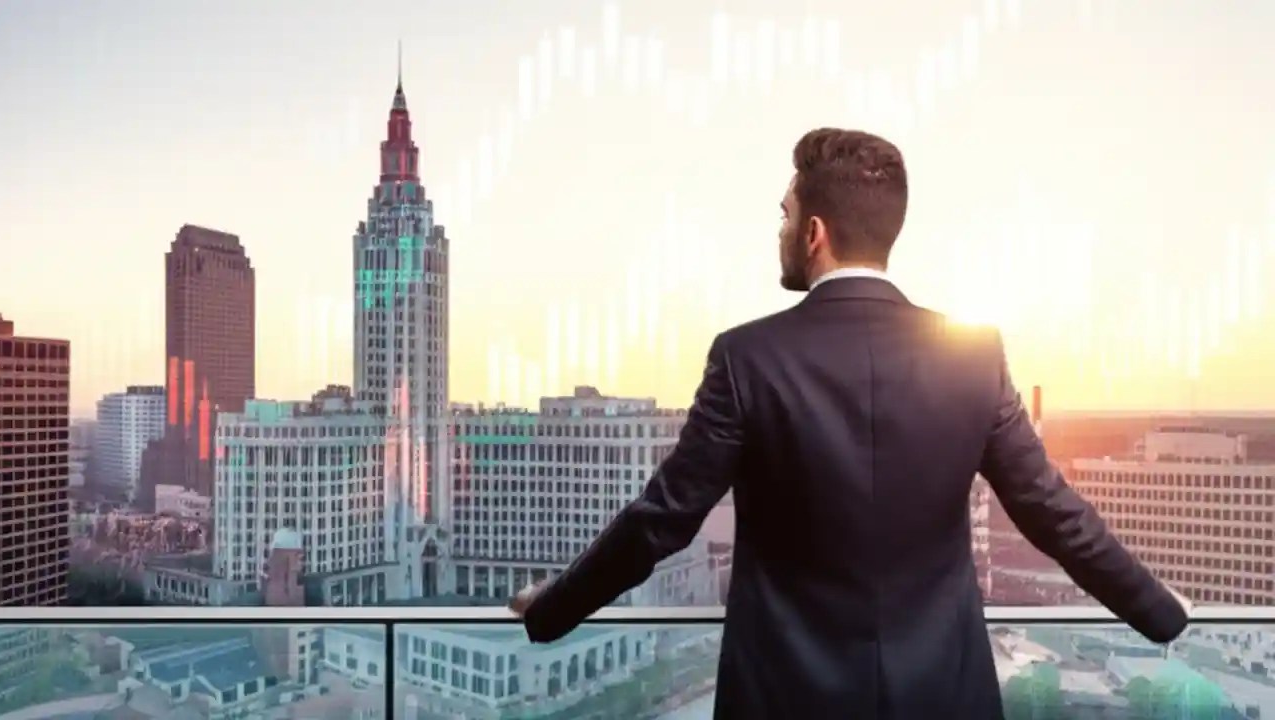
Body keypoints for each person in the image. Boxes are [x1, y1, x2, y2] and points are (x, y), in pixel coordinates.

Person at [509, 128, 1190, 718]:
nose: (778, 232)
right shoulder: (974, 357)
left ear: (814, 234)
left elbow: (662, 519)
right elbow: (1052, 511)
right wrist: (1160, 612)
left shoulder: (747, 357)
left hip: (784, 701)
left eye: (783, 216)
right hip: (942, 700)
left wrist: (550, 609)